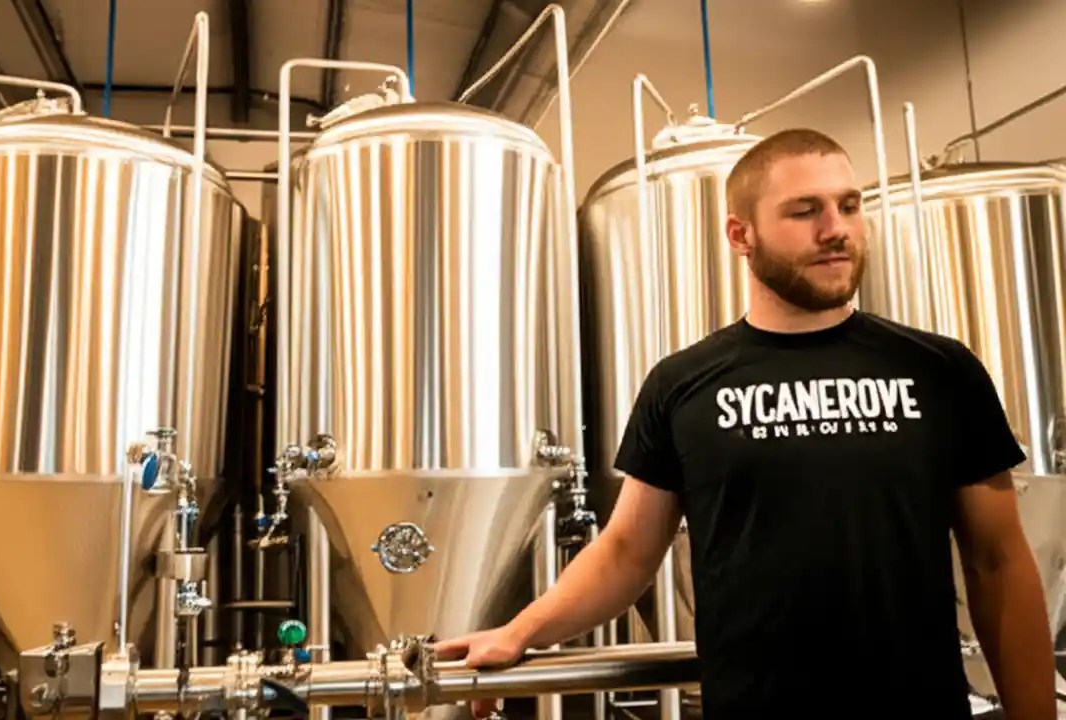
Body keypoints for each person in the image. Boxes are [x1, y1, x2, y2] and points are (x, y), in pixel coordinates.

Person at [434, 129, 1057, 719]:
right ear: (740, 234)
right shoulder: (683, 385)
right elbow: (625, 553)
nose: (836, 230)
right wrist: (520, 630)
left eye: (849, 205)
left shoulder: (940, 370)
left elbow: (998, 559)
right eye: (804, 210)